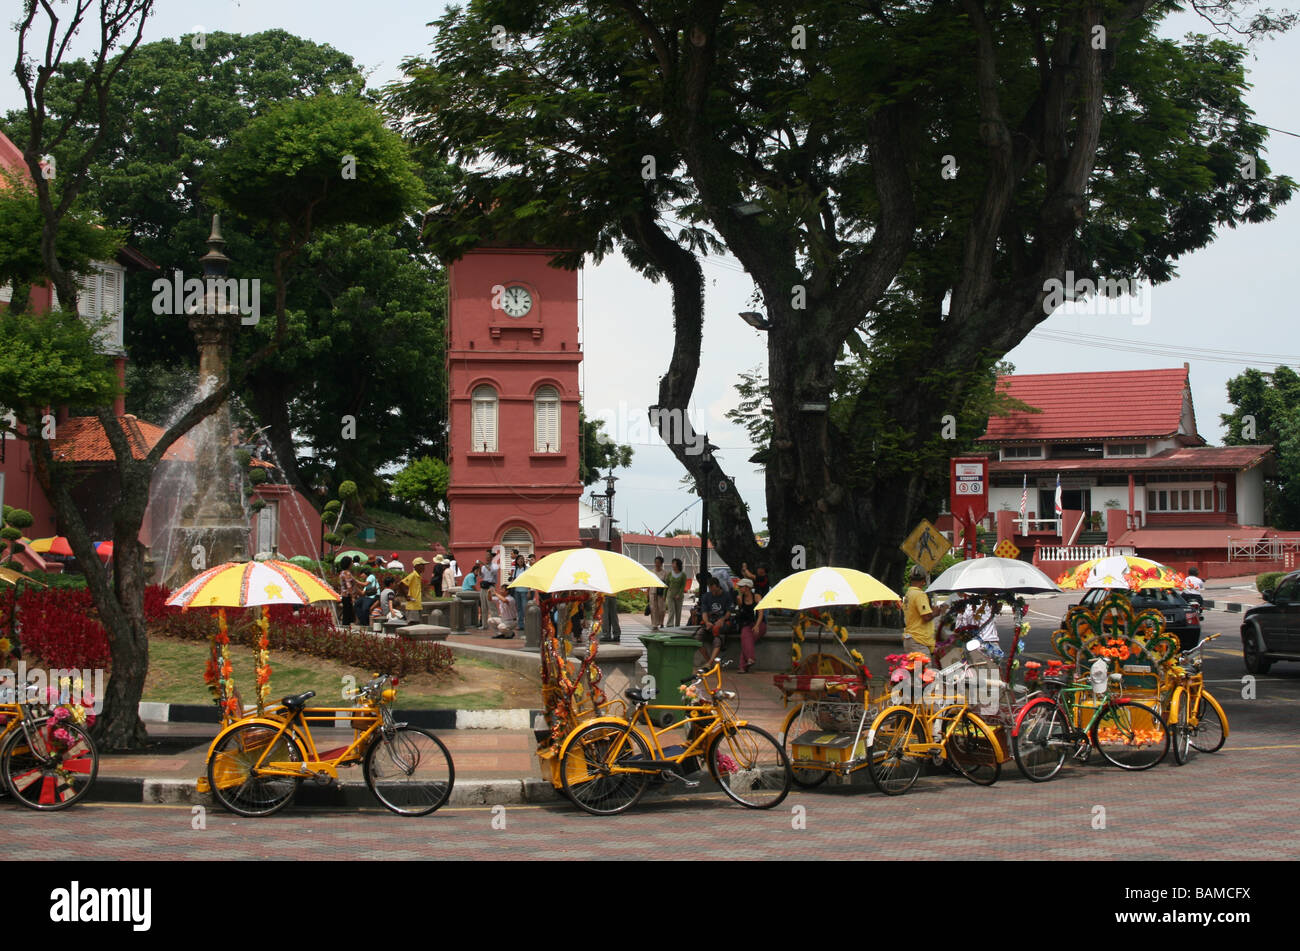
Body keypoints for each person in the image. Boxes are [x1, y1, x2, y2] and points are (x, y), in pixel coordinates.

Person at [697, 576, 734, 667]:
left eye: (714, 590)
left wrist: (722, 620)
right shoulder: (706, 596)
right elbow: (704, 612)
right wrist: (706, 622)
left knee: (717, 639)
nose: (713, 592)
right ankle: (709, 661)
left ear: (718, 586)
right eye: (711, 589)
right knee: (698, 637)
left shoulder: (727, 596)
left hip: (722, 622)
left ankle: (709, 663)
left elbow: (729, 612)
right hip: (710, 621)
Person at [902, 565, 936, 660]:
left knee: (916, 672)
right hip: (918, 641)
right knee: (924, 673)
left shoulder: (908, 594)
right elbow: (926, 617)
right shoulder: (919, 594)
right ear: (924, 580)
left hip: (911, 640)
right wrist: (936, 612)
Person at [735, 578, 767, 673]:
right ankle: (748, 661)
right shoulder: (740, 598)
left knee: (746, 639)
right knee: (746, 636)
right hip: (746, 624)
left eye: (741, 587)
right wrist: (739, 601)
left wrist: (757, 625)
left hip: (759, 623)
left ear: (747, 587)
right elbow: (740, 611)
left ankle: (743, 665)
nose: (739, 588)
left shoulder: (757, 597)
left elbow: (761, 613)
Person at [354, 564, 379, 631]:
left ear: (365, 573)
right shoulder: (367, 583)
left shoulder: (371, 576)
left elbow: (365, 584)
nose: (361, 576)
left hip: (374, 596)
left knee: (365, 608)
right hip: (368, 597)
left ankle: (365, 623)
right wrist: (355, 587)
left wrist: (356, 581)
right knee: (357, 603)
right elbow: (362, 593)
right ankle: (362, 621)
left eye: (361, 574)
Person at [664, 558, 687, 628]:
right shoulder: (670, 573)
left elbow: (683, 586)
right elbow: (666, 585)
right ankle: (669, 625)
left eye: (674, 563)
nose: (673, 565)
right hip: (670, 594)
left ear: (678, 565)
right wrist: (664, 595)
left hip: (679, 596)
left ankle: (677, 625)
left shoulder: (683, 574)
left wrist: (679, 594)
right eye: (672, 563)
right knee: (671, 610)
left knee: (678, 611)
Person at [648, 555, 667, 630]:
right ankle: (654, 624)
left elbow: (666, 584)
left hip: (661, 593)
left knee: (661, 609)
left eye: (658, 562)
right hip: (652, 592)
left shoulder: (665, 573)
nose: (656, 564)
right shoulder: (652, 572)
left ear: (661, 563)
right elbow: (649, 582)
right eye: (655, 562)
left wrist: (665, 594)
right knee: (653, 609)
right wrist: (647, 592)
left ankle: (661, 622)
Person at [337, 556, 356, 627]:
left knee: (346, 613)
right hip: (348, 596)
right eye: (351, 562)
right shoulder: (347, 573)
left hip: (344, 596)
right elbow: (349, 586)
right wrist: (353, 596)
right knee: (348, 614)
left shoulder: (342, 573)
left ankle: (345, 627)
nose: (352, 564)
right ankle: (346, 629)